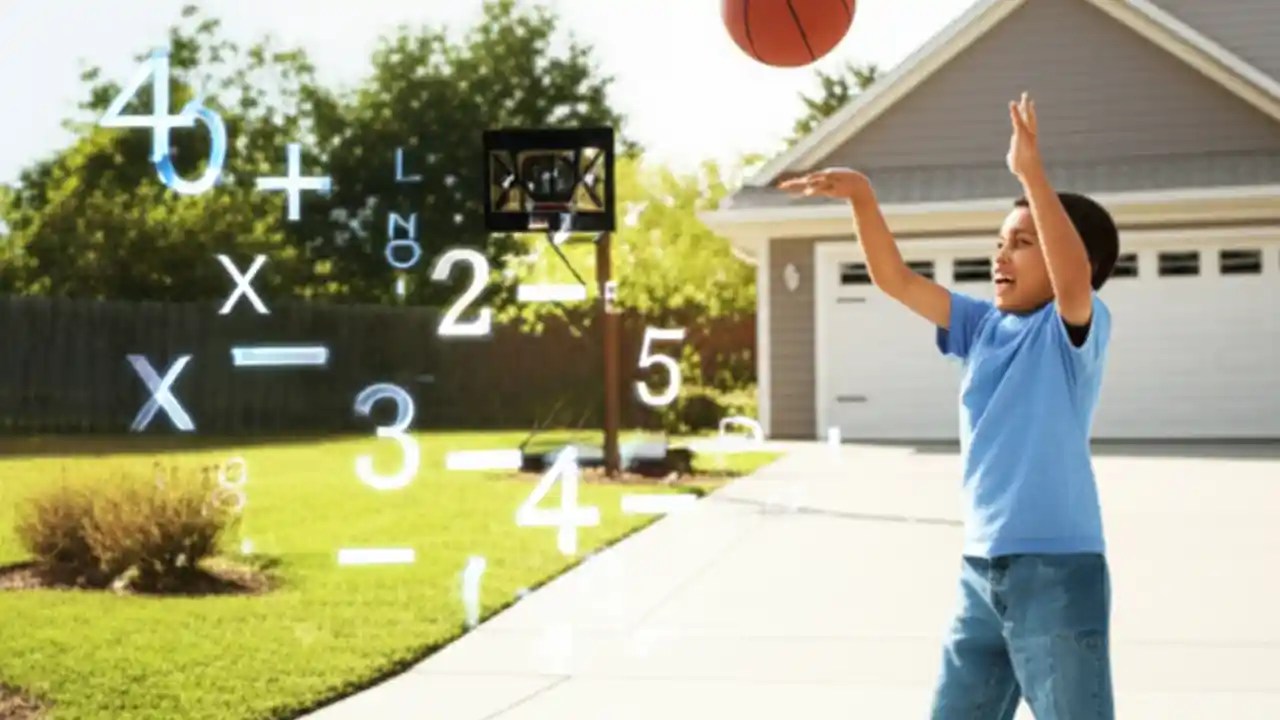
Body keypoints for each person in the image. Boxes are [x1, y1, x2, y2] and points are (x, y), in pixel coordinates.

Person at [781, 92, 1119, 719]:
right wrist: (861, 196)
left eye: (1022, 242)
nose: (1000, 254)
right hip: (981, 571)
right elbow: (896, 279)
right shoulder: (980, 326)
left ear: (1072, 257)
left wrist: (1031, 175)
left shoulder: (1073, 330)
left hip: (1058, 574)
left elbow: (1071, 280)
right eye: (999, 242)